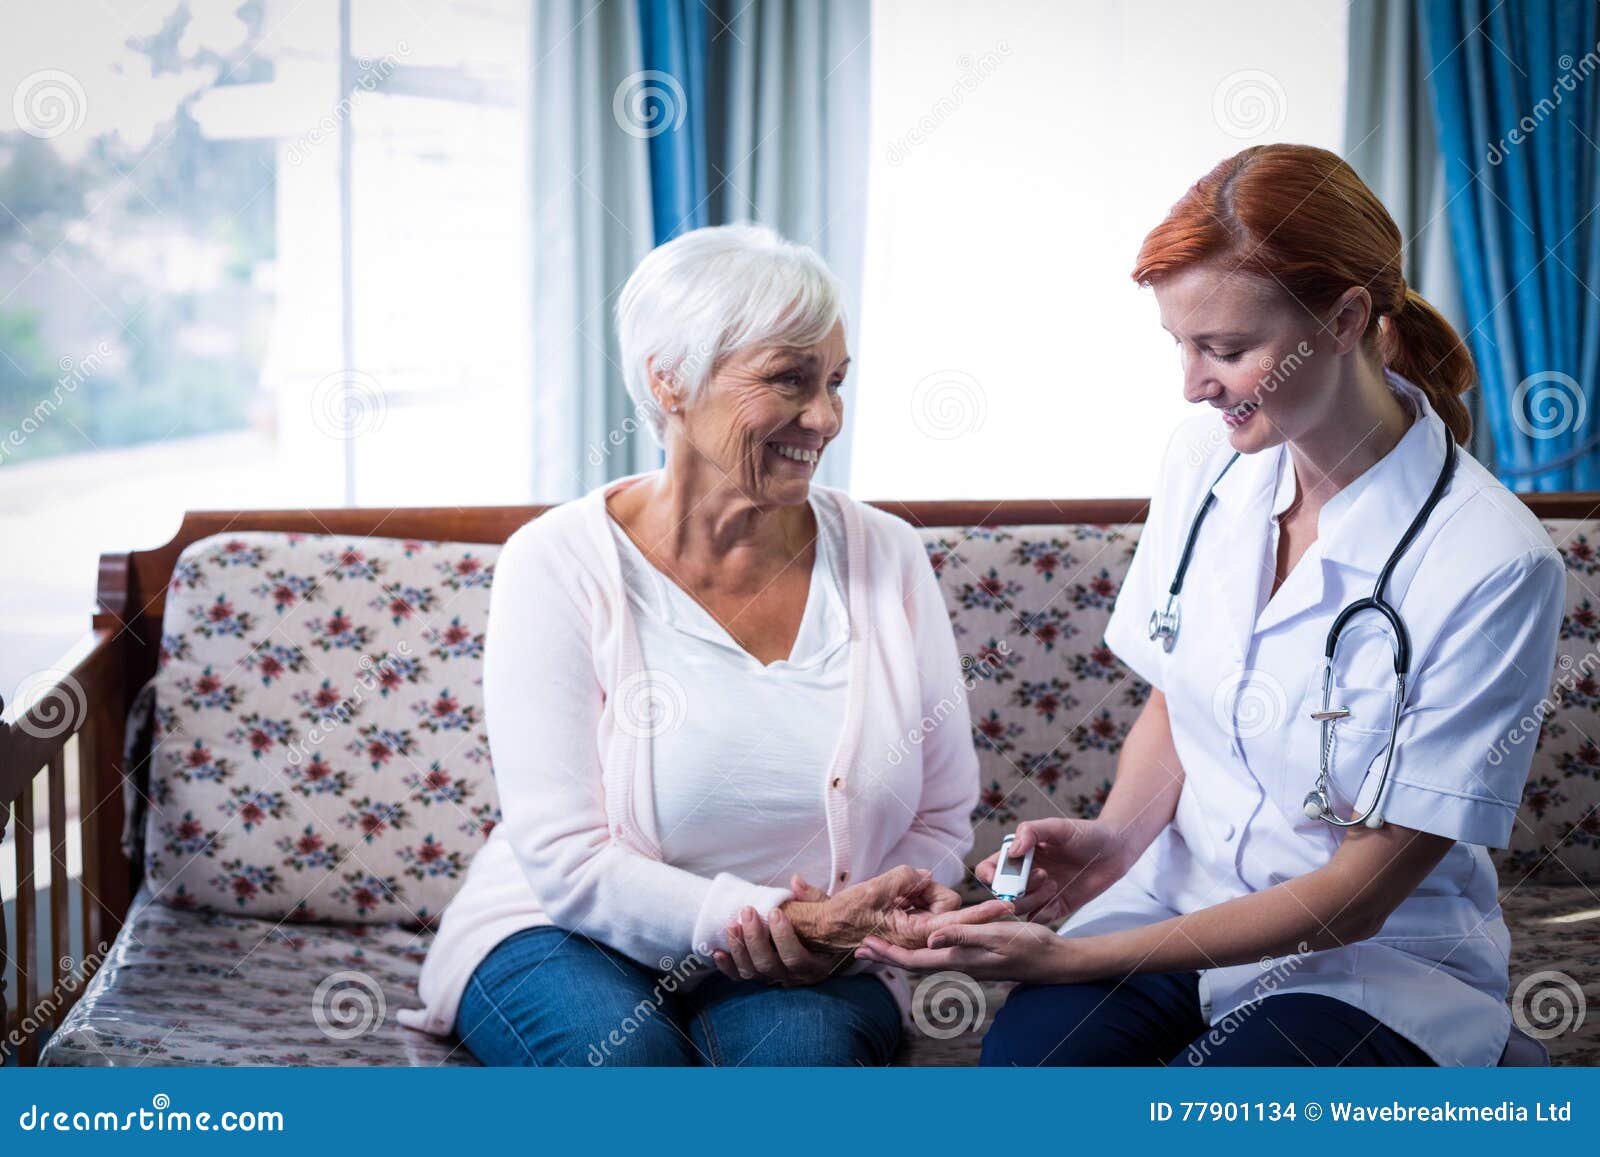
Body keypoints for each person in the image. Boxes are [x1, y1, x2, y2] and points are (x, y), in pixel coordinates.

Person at [856, 144, 1566, 1068]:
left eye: (1226, 350)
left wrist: (1074, 957)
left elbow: (1357, 895)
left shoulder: (1492, 561)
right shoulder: (1204, 461)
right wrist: (1116, 837)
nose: (1193, 383)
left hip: (1364, 961)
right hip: (1175, 901)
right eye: (1181, 345)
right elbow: (1176, 696)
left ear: (1346, 318)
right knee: (1029, 1079)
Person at [396, 223, 1004, 1065]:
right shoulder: (560, 560)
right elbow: (565, 859)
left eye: (835, 381)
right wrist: (755, 918)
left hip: (816, 953)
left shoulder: (885, 553)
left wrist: (857, 921)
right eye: (790, 379)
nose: (824, 417)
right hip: (563, 927)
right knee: (630, 1074)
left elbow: (938, 813)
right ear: (670, 380)